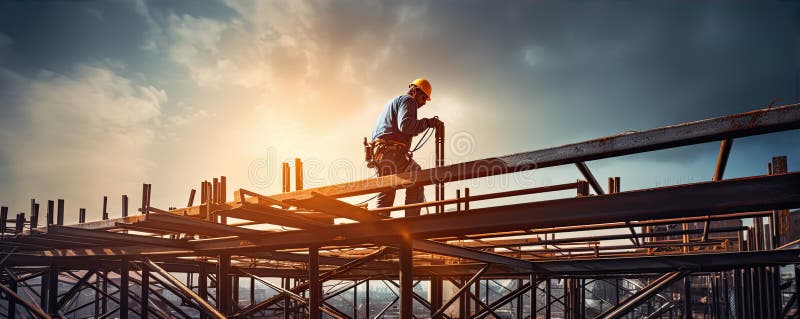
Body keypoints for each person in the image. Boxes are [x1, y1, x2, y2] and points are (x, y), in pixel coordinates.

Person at [370, 78, 442, 217]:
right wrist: (427, 122)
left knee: (387, 191)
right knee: (417, 176)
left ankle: (377, 227)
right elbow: (406, 125)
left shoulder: (394, 102)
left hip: (380, 153)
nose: (423, 103)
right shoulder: (409, 101)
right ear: (414, 91)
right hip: (391, 152)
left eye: (426, 100)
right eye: (423, 97)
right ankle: (411, 224)